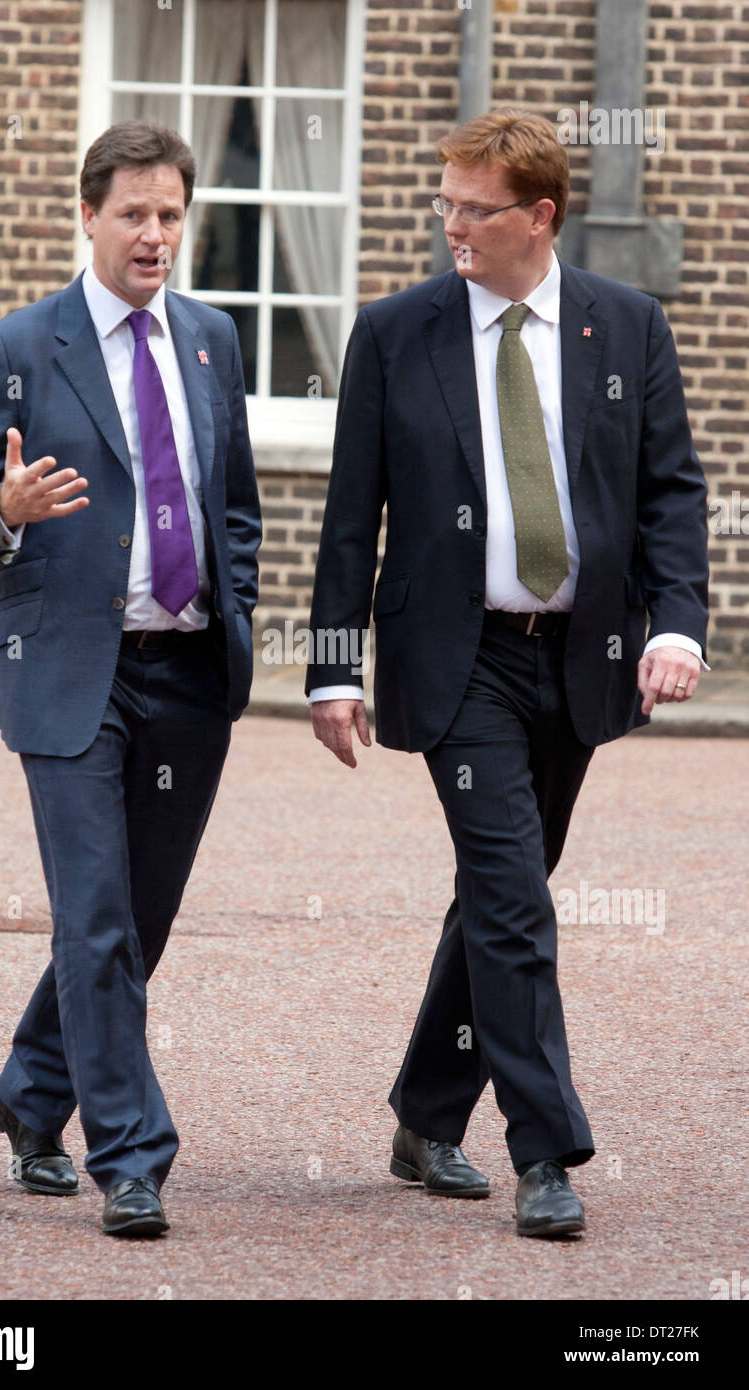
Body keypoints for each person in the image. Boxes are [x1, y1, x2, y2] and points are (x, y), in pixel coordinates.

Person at [305, 109, 708, 1238]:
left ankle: (425, 1110)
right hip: (457, 657)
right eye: (443, 203)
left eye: (471, 208)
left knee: (496, 901)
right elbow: (350, 523)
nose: (450, 226)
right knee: (515, 899)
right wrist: (330, 669)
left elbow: (669, 491)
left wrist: (675, 625)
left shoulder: (625, 328)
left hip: (582, 662)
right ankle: (545, 1150)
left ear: (537, 216)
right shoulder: (395, 333)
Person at [0, 121, 261, 1238]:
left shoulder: (212, 340)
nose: (154, 233)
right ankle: (131, 1158)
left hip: (186, 672)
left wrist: (238, 606)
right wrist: (1, 513)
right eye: (133, 213)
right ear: (89, 215)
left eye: (170, 213)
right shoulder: (21, 345)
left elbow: (236, 504)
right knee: (97, 914)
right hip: (70, 673)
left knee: (134, 922)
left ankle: (29, 1094)